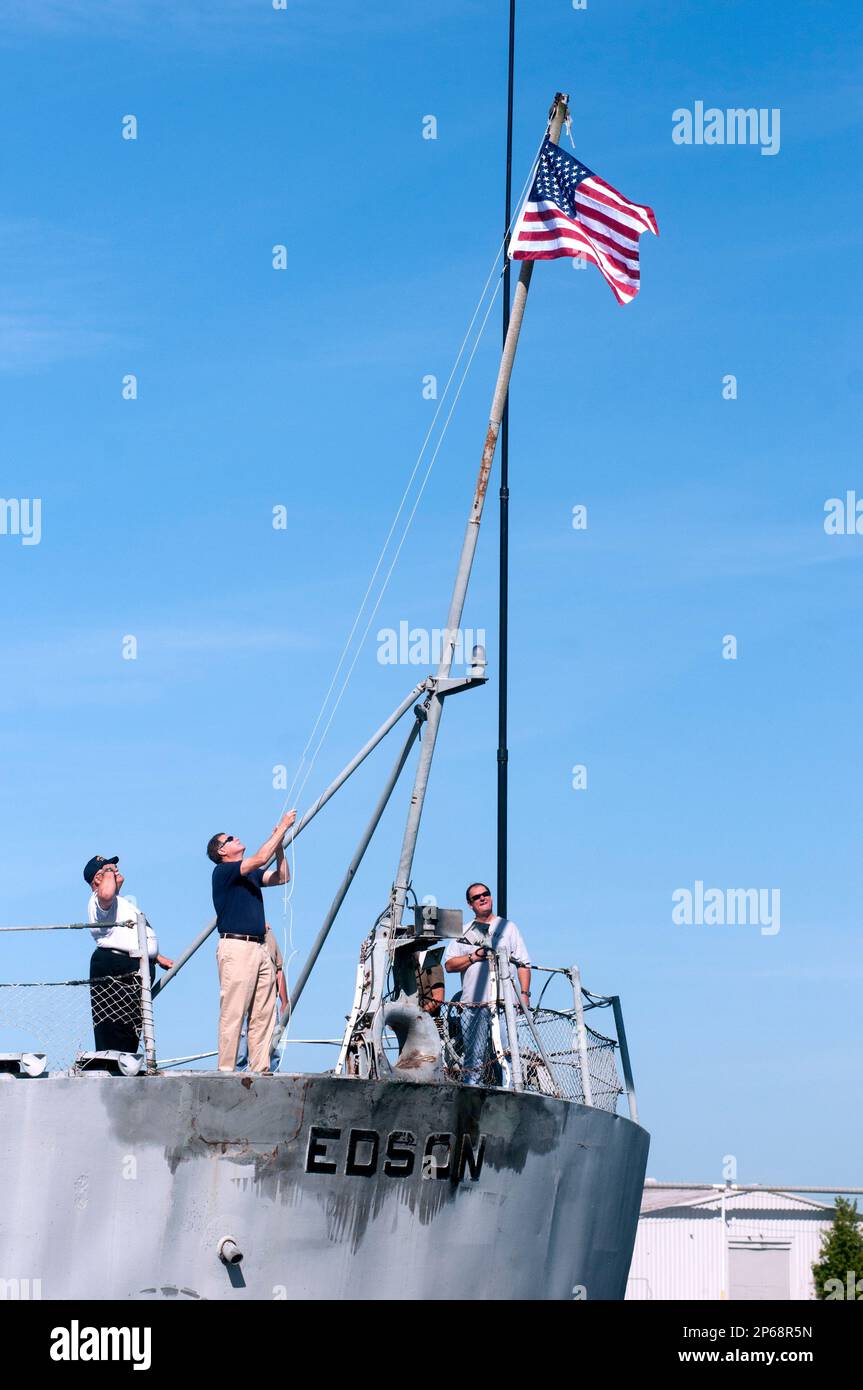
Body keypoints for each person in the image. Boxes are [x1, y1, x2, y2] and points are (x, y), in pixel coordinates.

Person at [206, 813, 296, 1073]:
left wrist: (279, 845)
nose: (237, 838)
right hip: (237, 948)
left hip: (259, 947)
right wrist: (282, 829)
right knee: (234, 1012)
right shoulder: (224, 871)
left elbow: (282, 877)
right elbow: (260, 858)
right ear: (222, 850)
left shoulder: (250, 873)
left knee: (263, 1014)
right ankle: (226, 1071)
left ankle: (260, 1069)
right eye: (230, 839)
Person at [443, 882, 531, 1086]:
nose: (483, 898)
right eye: (477, 897)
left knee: (509, 1053)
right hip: (474, 1005)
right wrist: (474, 956)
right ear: (470, 904)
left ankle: (511, 1091)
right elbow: (449, 964)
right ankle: (472, 1094)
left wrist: (524, 994)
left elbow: (524, 964)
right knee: (474, 1057)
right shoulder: (464, 933)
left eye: (486, 894)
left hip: (503, 1004)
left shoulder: (508, 928)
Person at [84, 854, 173, 1054]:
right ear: (98, 879)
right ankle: (115, 1069)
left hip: (133, 966)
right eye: (109, 869)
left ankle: (125, 1063)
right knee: (116, 1028)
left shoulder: (118, 903)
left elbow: (124, 935)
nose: (115, 870)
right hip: (117, 968)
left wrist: (156, 956)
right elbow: (105, 895)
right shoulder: (101, 899)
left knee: (130, 1028)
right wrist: (108, 879)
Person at [236, 923, 288, 1072]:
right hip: (245, 1000)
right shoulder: (238, 934)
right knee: (241, 1052)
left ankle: (273, 1079)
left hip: (269, 1002)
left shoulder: (269, 935)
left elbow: (278, 969)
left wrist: (284, 1002)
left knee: (273, 1050)